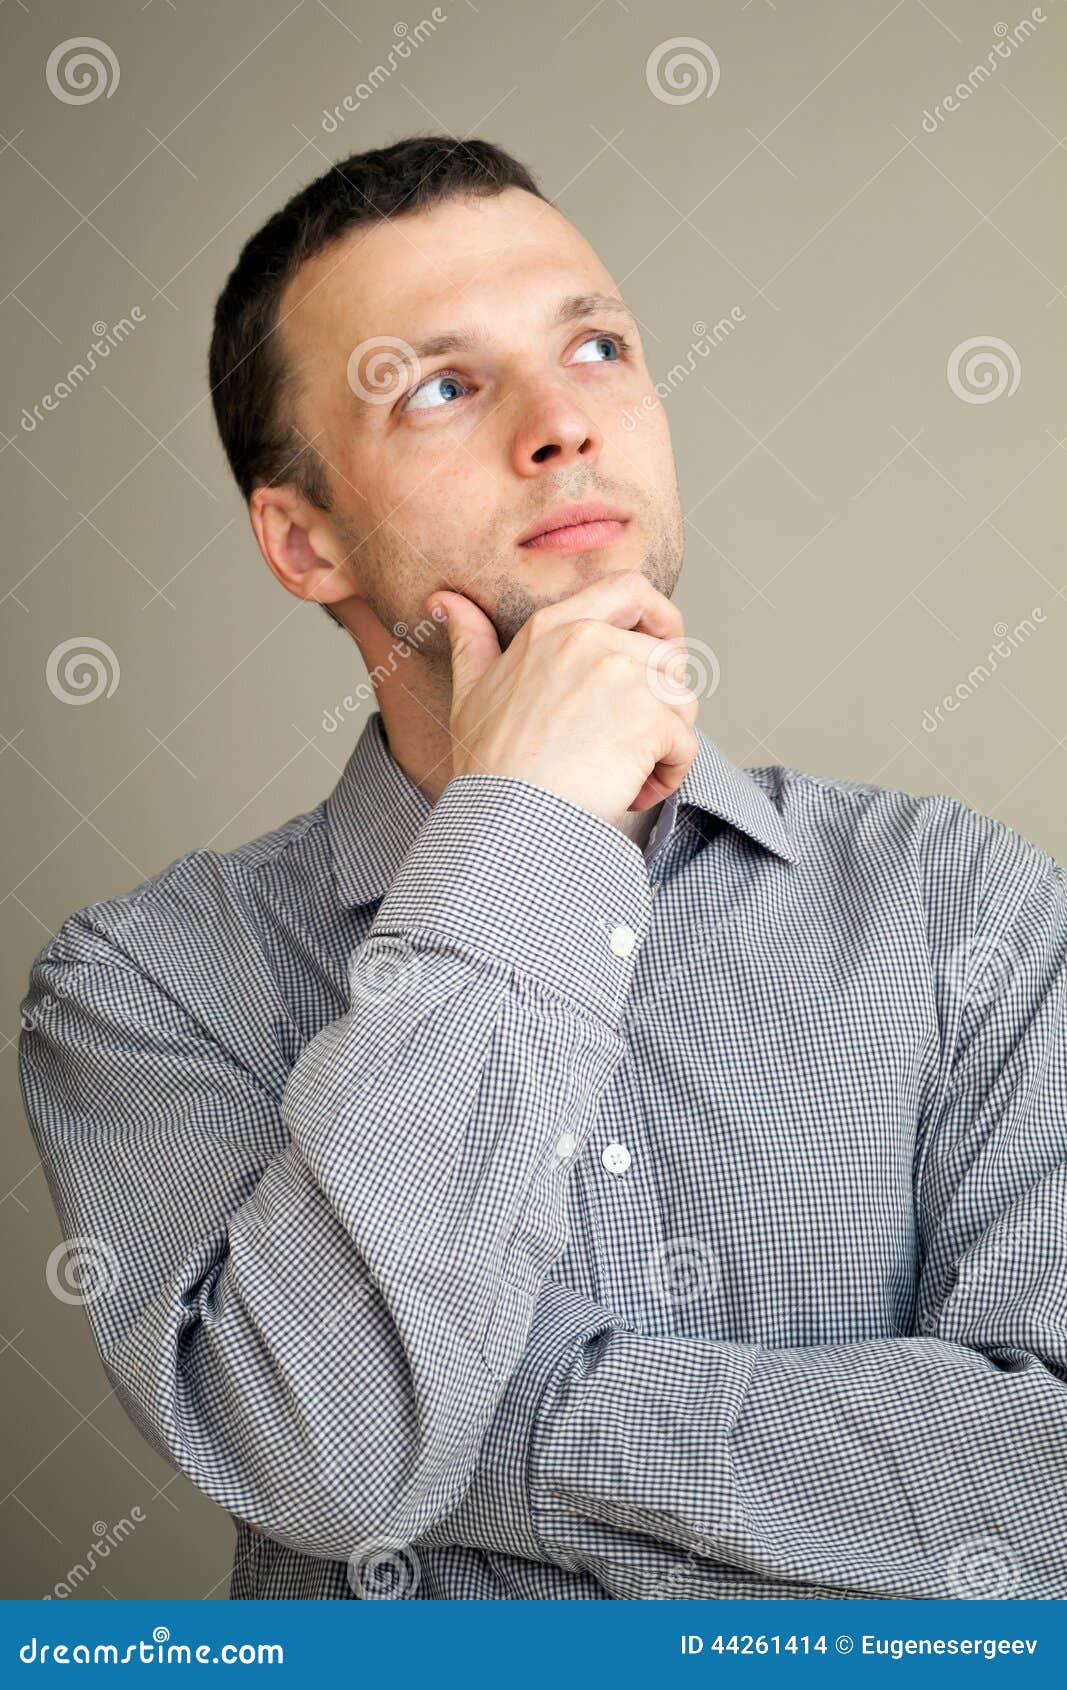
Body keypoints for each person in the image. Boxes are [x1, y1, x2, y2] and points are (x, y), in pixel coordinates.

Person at [18, 136, 1067, 1602]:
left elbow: (1049, 1490)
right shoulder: (145, 985)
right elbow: (322, 1451)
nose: (563, 423)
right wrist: (526, 830)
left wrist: (475, 1430)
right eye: (441, 387)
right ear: (305, 542)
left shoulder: (970, 903)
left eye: (597, 347)